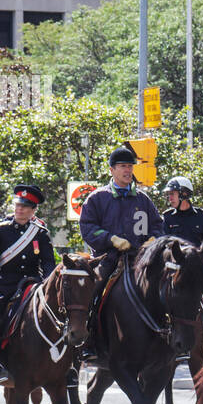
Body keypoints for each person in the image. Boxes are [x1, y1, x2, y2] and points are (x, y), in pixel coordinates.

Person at [79, 144, 165, 355]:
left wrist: (153, 239)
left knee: (166, 287)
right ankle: (88, 341)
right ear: (112, 170)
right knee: (93, 291)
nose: (128, 170)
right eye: (123, 166)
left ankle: (169, 336)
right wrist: (111, 239)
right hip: (108, 259)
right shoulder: (97, 198)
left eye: (130, 166)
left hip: (140, 260)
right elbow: (87, 228)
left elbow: (158, 225)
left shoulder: (143, 199)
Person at [0, 185, 57, 388]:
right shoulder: (0, 231)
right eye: (18, 205)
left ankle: (64, 366)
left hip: (31, 285)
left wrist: (49, 283)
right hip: (4, 284)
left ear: (33, 210)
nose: (20, 209)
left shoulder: (40, 234)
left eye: (25, 207)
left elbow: (48, 262)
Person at [161, 176, 203, 249]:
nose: (170, 198)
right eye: (168, 194)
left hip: (198, 259)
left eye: (172, 194)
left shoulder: (202, 216)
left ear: (184, 194)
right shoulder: (167, 217)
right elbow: (162, 243)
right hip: (175, 259)